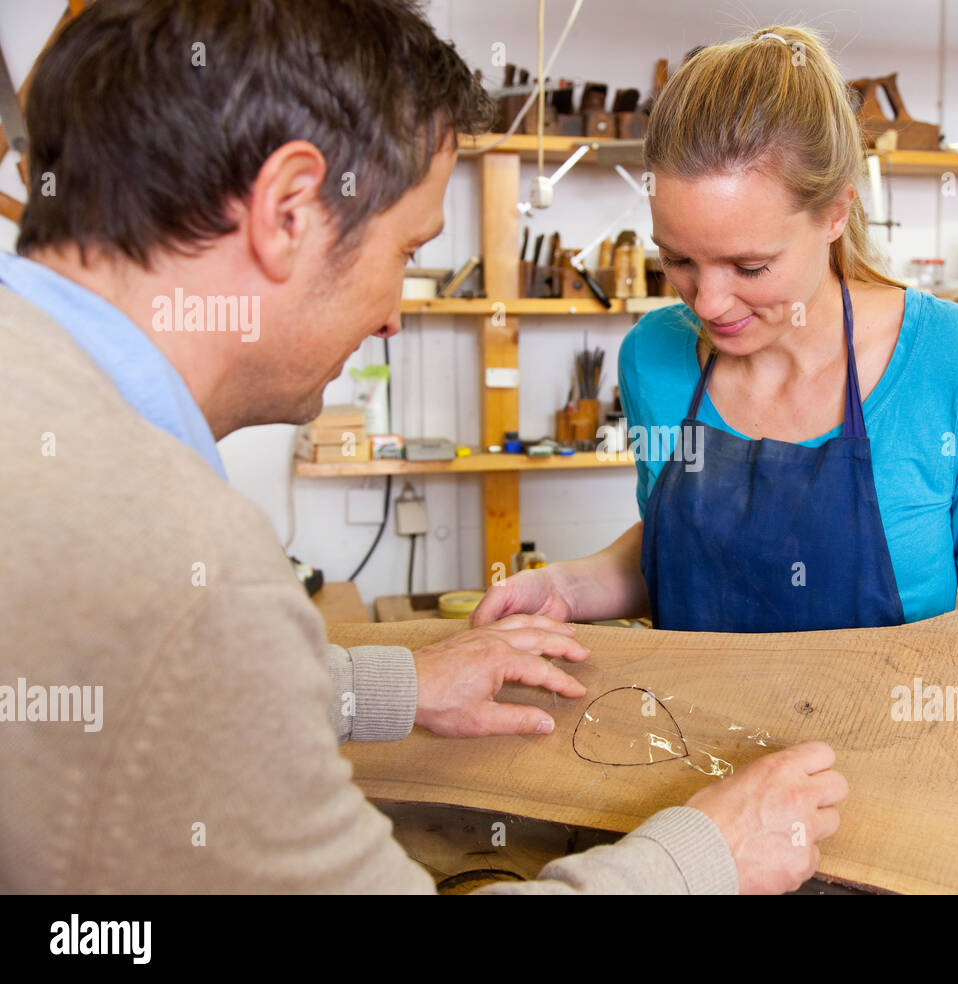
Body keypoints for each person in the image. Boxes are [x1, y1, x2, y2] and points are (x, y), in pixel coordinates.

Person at [0, 0, 848, 894]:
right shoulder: (174, 560)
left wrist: (380, 687)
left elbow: (149, 691)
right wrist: (704, 856)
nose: (394, 317)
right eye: (407, 250)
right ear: (288, 209)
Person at [474, 26, 958, 756]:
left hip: (894, 784)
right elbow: (673, 550)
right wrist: (566, 587)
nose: (707, 303)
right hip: (688, 775)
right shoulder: (655, 357)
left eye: (749, 268)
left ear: (835, 214)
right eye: (678, 260)